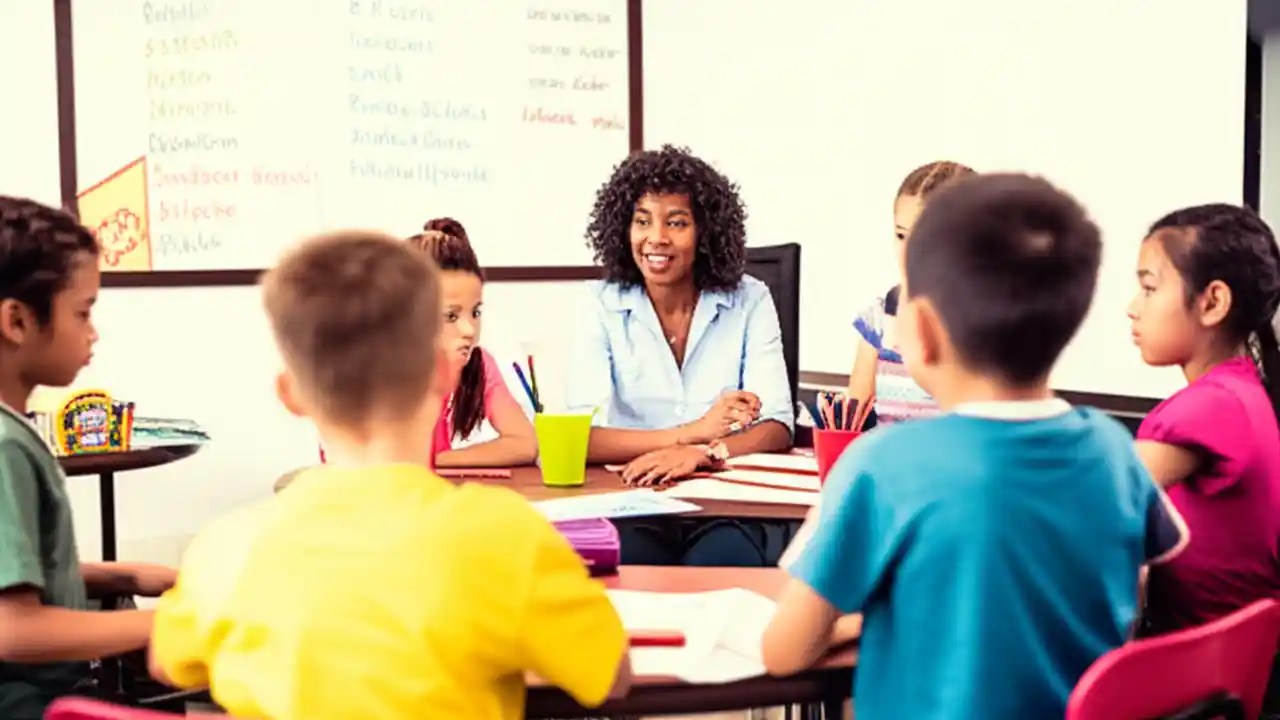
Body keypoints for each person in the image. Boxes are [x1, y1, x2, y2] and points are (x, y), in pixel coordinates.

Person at [149, 231, 630, 719]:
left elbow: (168, 665)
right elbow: (611, 676)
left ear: (289, 394)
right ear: (443, 374)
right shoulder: (506, 537)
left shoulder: (226, 548)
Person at [763, 174, 1187, 720]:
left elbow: (784, 652)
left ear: (918, 328)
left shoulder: (879, 464)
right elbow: (1130, 593)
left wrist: (871, 613)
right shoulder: (1115, 451)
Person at [567, 145, 794, 565]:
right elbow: (581, 439)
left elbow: (778, 425)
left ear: (705, 232)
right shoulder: (598, 303)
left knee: (727, 564)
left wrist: (705, 453)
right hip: (631, 498)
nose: (657, 238)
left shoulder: (750, 299)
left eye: (677, 222)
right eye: (642, 221)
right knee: (634, 571)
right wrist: (689, 434)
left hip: (726, 502)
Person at [0, 195, 175, 719]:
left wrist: (121, 576)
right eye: (83, 311)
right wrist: (181, 624)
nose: (93, 331)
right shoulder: (5, 447)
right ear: (16, 321)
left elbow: (19, 569)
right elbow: (13, 629)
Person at [1127, 204, 1280, 636]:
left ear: (1212, 302)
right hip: (1224, 675)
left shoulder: (1213, 406)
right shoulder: (1243, 390)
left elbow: (1092, 500)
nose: (1132, 308)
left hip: (1190, 681)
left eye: (1149, 289)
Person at [845, 160, 975, 427]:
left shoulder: (988, 323)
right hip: (891, 465)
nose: (908, 252)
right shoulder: (880, 318)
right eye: (901, 236)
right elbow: (849, 421)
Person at [408, 217, 537, 468]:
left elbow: (525, 443)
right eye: (451, 316)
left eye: (475, 313)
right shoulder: (377, 375)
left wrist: (439, 461)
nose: (469, 330)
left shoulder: (479, 363)